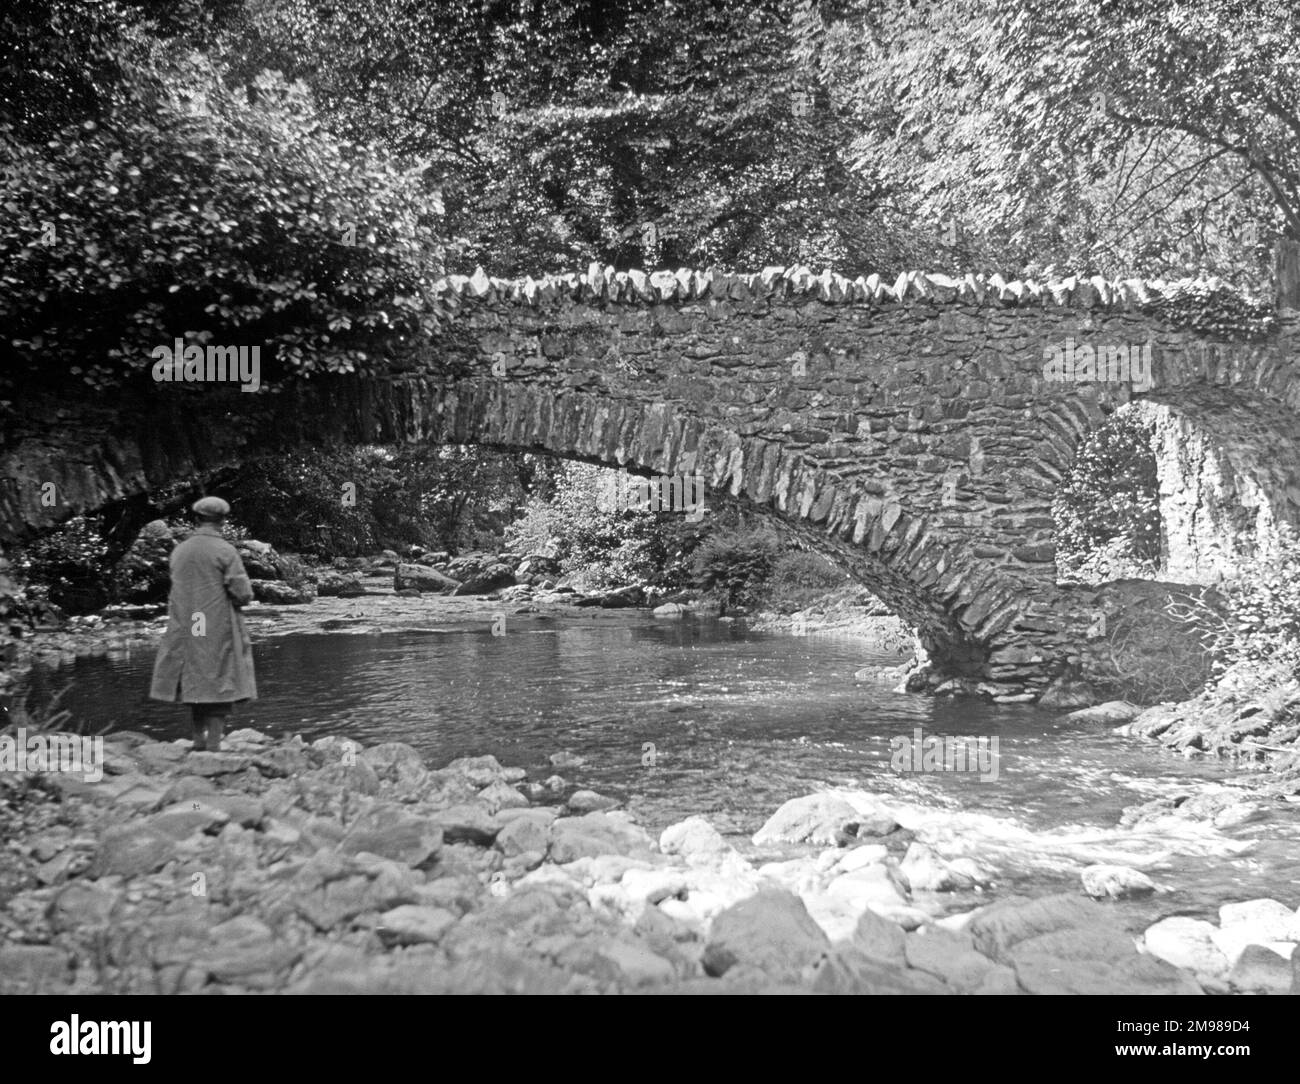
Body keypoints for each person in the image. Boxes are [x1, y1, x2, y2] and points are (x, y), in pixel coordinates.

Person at [149, 496, 256, 752]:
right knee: (220, 676)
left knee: (194, 679)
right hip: (215, 623)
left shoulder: (180, 550)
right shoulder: (225, 551)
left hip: (187, 623)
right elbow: (242, 592)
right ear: (222, 521)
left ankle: (197, 739)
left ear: (196, 519)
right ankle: (214, 744)